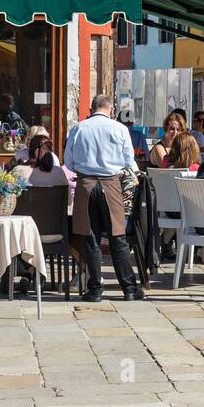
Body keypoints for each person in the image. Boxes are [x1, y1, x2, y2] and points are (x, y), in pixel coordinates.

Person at [64, 94, 142, 301]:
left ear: (92, 108)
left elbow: (69, 162)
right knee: (118, 237)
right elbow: (128, 161)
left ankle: (95, 289)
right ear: (111, 109)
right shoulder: (120, 129)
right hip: (111, 183)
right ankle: (129, 289)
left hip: (86, 184)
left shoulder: (79, 128)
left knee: (91, 238)